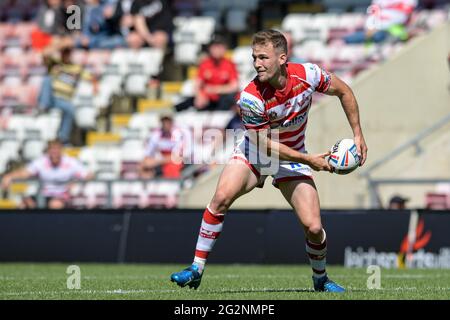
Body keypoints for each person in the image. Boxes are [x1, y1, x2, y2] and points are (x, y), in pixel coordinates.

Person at [170, 30, 368, 292]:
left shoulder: (308, 75)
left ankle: (320, 279)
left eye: (263, 57)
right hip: (256, 152)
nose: (257, 63)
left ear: (282, 58)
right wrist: (308, 159)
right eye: (254, 57)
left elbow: (344, 91)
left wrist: (358, 134)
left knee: (314, 226)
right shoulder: (251, 96)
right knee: (220, 198)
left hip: (293, 155)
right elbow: (265, 144)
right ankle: (196, 268)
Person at [0, 139, 92, 209]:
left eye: (57, 149)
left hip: (62, 195)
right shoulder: (41, 161)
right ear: (48, 151)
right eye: (52, 149)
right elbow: (25, 173)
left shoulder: (71, 162)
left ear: (61, 150)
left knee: (55, 205)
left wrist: (75, 184)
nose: (54, 153)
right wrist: (9, 176)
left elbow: (88, 175)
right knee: (24, 203)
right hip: (43, 194)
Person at [38, 46, 97, 144]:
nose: (65, 55)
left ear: (70, 54)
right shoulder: (55, 64)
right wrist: (57, 47)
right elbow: (44, 55)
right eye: (63, 53)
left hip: (65, 98)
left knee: (70, 109)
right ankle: (43, 106)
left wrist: (95, 85)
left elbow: (91, 77)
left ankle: (63, 138)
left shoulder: (76, 68)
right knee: (47, 79)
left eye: (67, 53)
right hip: (52, 97)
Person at [175, 34, 239, 112]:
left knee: (228, 99)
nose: (216, 50)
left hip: (222, 99)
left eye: (219, 46)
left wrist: (215, 89)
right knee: (185, 104)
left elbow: (234, 87)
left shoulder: (230, 64)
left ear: (224, 48)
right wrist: (199, 95)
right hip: (207, 99)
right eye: (214, 47)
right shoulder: (205, 64)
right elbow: (197, 85)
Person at [139, 113, 192, 179]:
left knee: (172, 167)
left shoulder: (179, 134)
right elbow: (147, 154)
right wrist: (145, 163)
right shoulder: (156, 135)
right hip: (164, 162)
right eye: (164, 121)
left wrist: (157, 161)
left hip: (178, 163)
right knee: (144, 168)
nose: (166, 124)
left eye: (168, 121)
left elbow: (179, 156)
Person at [344, 0, 417, 44]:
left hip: (398, 18)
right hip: (381, 21)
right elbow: (374, 9)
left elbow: (409, 10)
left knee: (380, 34)